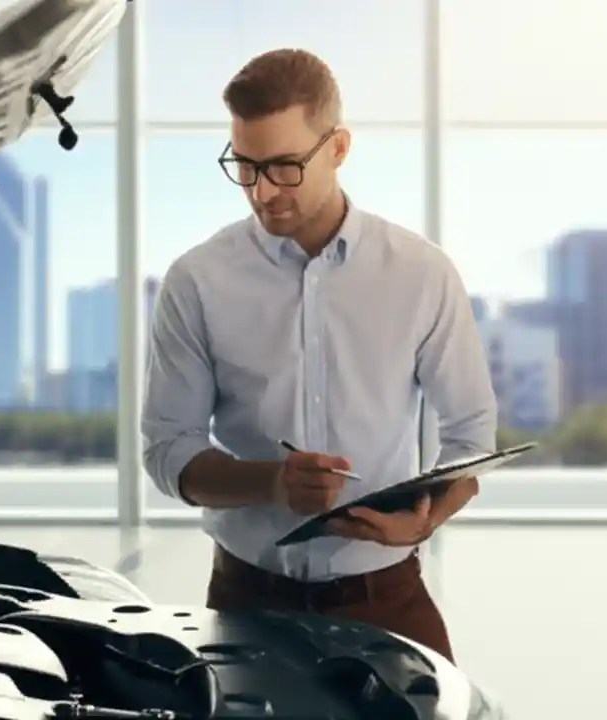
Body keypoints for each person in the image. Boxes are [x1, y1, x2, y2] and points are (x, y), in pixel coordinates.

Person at [140, 48, 496, 663]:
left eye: (284, 166)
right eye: (245, 167)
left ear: (338, 148)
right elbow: (168, 451)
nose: (262, 192)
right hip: (245, 602)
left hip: (388, 597)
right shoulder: (196, 281)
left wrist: (426, 520)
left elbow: (472, 433)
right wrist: (273, 482)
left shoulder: (420, 273)